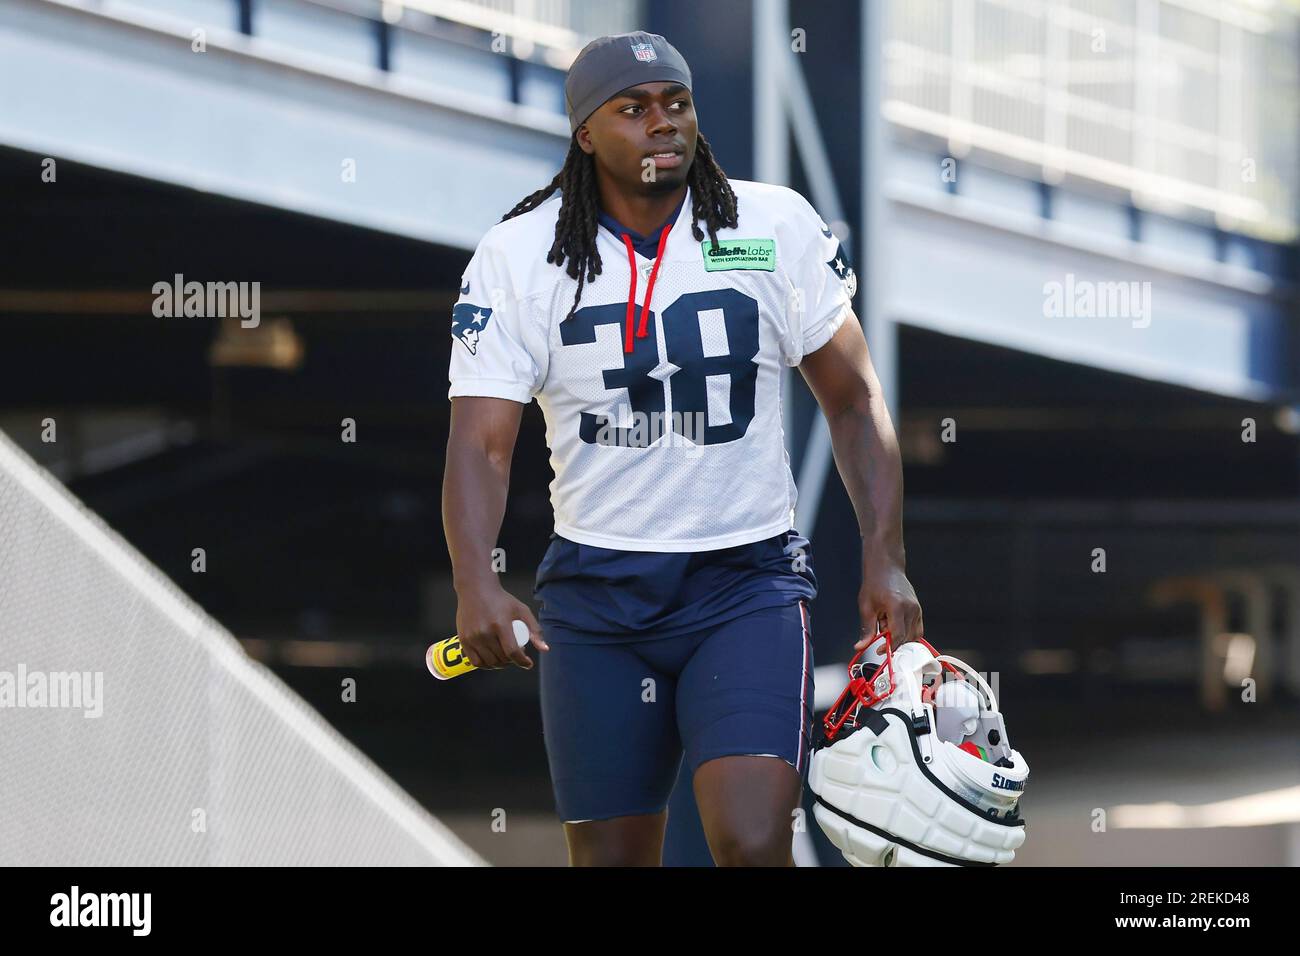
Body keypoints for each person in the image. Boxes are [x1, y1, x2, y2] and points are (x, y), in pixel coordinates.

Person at [443, 31, 922, 866]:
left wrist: (885, 556)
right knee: (612, 860)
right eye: (634, 109)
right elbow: (482, 445)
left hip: (746, 585)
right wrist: (476, 580)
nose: (663, 123)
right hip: (597, 599)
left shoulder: (770, 227)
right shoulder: (519, 255)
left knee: (750, 839)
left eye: (678, 104)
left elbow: (853, 398)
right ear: (586, 133)